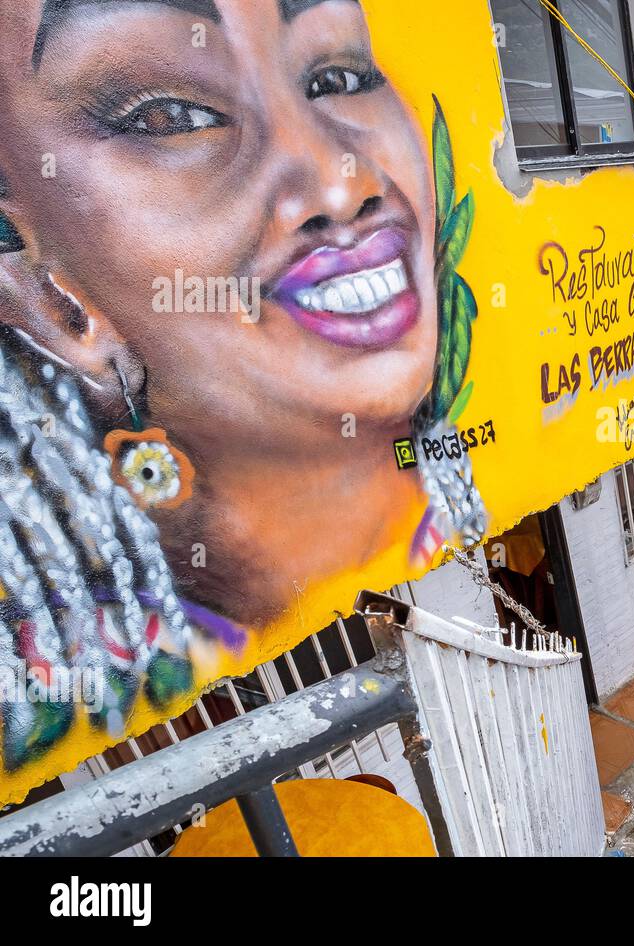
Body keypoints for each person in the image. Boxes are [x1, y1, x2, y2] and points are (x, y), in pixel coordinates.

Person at [0, 0, 486, 775]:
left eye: (335, 76)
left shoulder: (444, 503)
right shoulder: (77, 679)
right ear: (48, 299)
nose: (343, 185)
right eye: (169, 116)